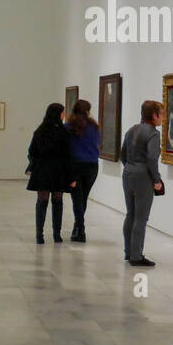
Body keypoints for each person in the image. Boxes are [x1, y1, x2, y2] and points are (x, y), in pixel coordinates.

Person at [121, 100, 164, 267]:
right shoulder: (153, 133)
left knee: (130, 214)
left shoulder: (131, 130)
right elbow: (152, 158)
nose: (162, 118)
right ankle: (136, 255)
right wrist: (156, 180)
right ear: (154, 115)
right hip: (143, 176)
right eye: (161, 114)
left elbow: (123, 154)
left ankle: (128, 251)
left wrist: (130, 168)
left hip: (128, 173)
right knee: (141, 217)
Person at [26, 103, 77, 244]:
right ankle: (56, 234)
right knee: (57, 201)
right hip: (58, 171)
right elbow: (68, 155)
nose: (64, 115)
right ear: (58, 114)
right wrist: (71, 176)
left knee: (42, 201)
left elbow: (31, 151)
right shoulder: (63, 132)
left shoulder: (40, 131)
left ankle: (39, 235)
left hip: (42, 170)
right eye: (62, 112)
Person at [65, 99, 102, 243]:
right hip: (92, 166)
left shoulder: (68, 127)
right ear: (87, 111)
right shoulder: (94, 127)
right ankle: (78, 228)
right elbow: (97, 144)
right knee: (83, 197)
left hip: (75, 165)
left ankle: (80, 229)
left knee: (77, 198)